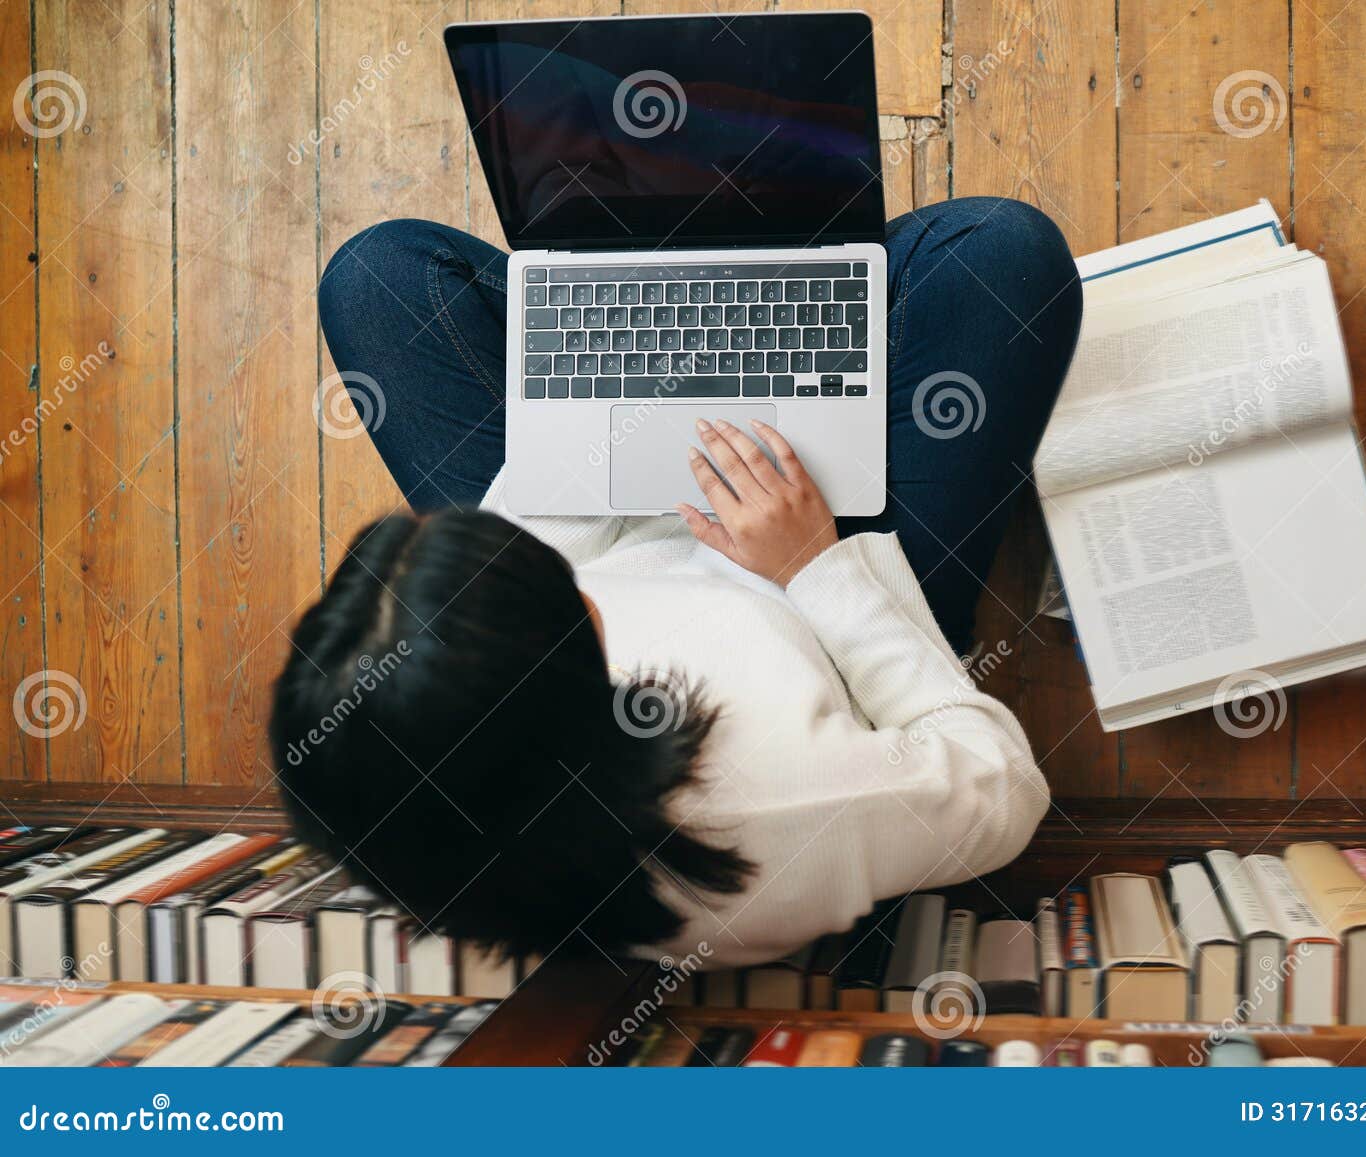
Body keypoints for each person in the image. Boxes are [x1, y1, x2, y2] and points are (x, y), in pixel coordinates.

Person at [273, 197, 1083, 968]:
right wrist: (814, 564)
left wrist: (614, 419)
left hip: (619, 531)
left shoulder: (407, 801)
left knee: (376, 276)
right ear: (571, 657)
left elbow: (544, 554)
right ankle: (742, 289)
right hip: (816, 578)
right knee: (1002, 256)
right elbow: (1004, 786)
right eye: (557, 600)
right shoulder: (793, 807)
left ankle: (689, 307)